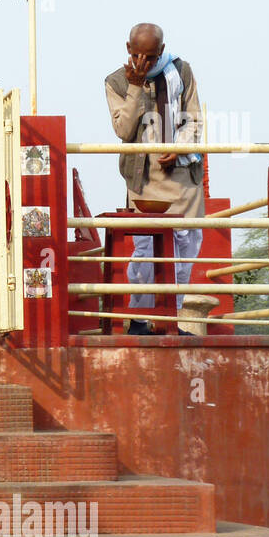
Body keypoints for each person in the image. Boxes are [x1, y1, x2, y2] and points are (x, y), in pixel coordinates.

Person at [105, 22, 207, 335]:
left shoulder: (182, 71)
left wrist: (178, 147)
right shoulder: (117, 81)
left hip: (183, 179)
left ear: (161, 51)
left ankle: (171, 323)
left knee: (184, 250)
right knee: (145, 253)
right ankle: (138, 322)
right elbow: (123, 130)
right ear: (127, 49)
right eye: (137, 55)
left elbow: (194, 119)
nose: (143, 63)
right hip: (143, 181)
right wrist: (136, 87)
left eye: (150, 57)